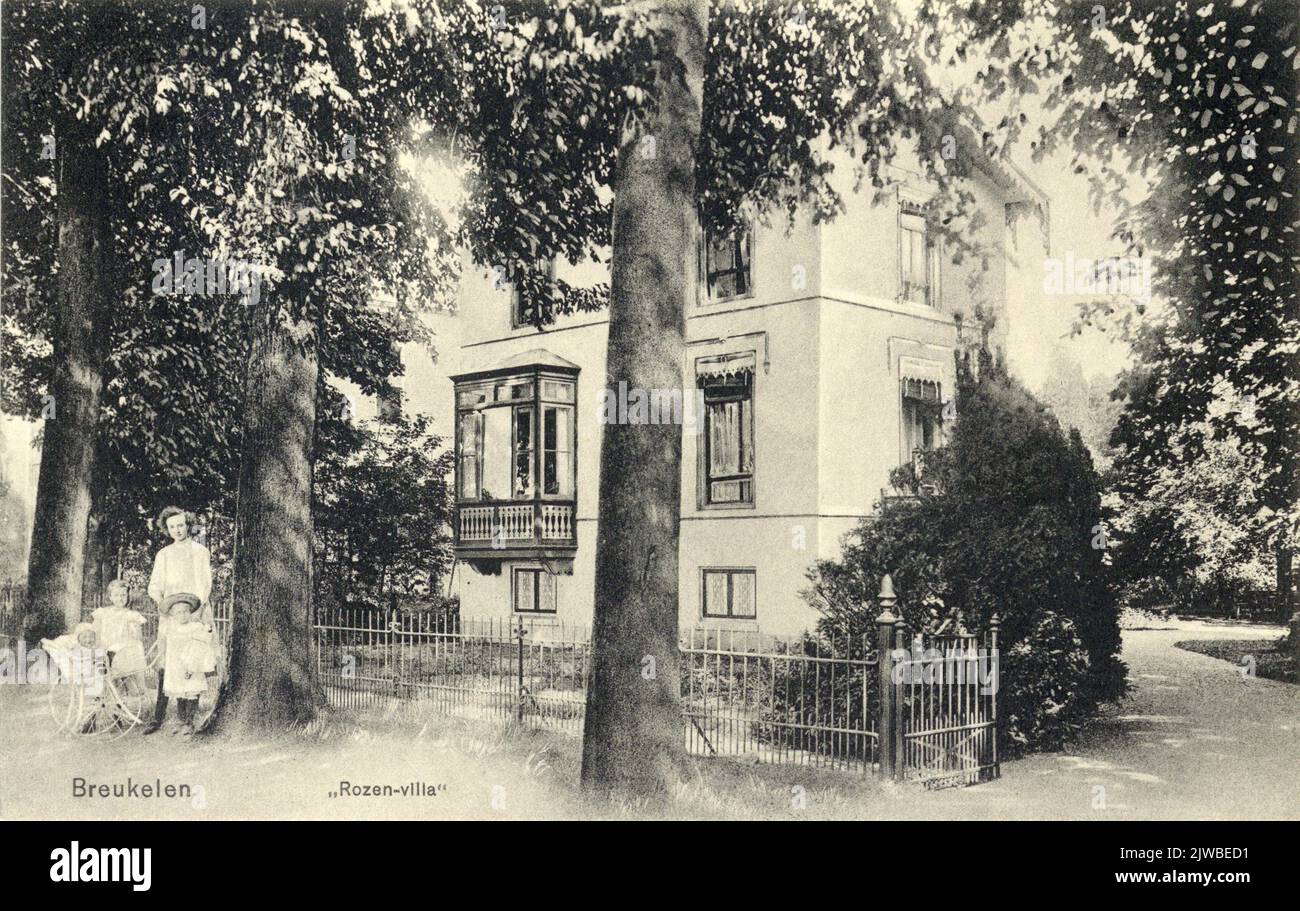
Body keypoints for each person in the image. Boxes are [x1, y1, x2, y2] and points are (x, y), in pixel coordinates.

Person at [143, 506, 213, 734]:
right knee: (167, 663)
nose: (177, 530)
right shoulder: (163, 554)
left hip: (194, 613)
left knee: (191, 663)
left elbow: (205, 584)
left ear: (188, 524)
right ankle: (158, 717)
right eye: (172, 527)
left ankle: (187, 720)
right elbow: (154, 586)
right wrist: (163, 605)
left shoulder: (200, 551)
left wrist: (196, 611)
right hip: (170, 615)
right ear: (167, 529)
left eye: (181, 525)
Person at [160, 593, 217, 738]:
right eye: (178, 612)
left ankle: (189, 722)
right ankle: (181, 720)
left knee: (191, 692)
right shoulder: (171, 628)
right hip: (176, 666)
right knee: (180, 693)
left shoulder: (196, 627)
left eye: (185, 611)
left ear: (190, 612)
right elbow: (168, 647)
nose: (183, 615)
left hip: (192, 665)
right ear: (172, 614)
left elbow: (203, 642)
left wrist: (208, 629)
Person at [91, 579, 147, 679]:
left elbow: (138, 638)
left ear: (128, 596)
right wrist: (97, 646)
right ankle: (103, 684)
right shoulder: (103, 613)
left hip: (123, 651)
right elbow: (95, 631)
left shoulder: (131, 615)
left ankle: (116, 679)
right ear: (110, 597)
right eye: (116, 595)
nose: (120, 598)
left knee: (117, 659)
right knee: (98, 658)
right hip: (104, 647)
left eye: (123, 595)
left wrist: (132, 629)